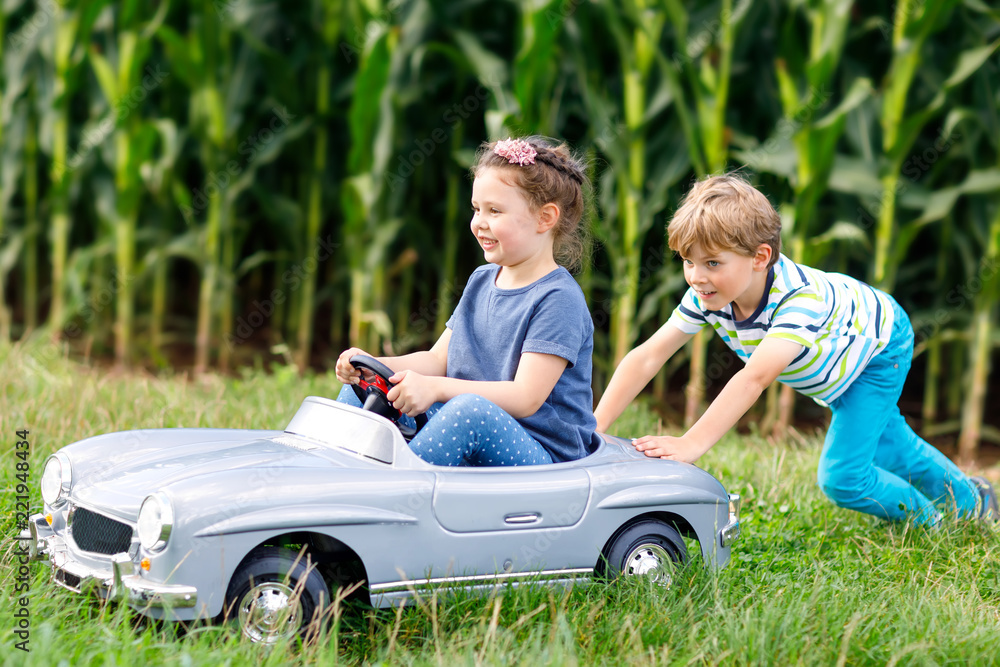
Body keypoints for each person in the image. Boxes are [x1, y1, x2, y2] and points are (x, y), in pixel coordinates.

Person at [594, 173, 998, 526]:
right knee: (891, 443)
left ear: (760, 257)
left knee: (844, 478)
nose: (696, 277)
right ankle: (973, 501)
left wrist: (691, 444)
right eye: (687, 261)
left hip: (877, 350)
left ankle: (935, 524)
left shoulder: (799, 299)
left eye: (712, 263)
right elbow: (649, 355)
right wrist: (594, 427)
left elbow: (755, 378)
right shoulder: (707, 294)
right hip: (842, 363)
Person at [335, 136, 600, 466]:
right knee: (362, 390)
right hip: (477, 424)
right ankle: (334, 475)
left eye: (495, 211)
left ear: (545, 218)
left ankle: (397, 492)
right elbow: (437, 360)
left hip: (544, 456)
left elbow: (525, 398)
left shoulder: (558, 298)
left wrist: (435, 388)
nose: (479, 223)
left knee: (469, 411)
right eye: (477, 209)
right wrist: (374, 363)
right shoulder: (482, 279)